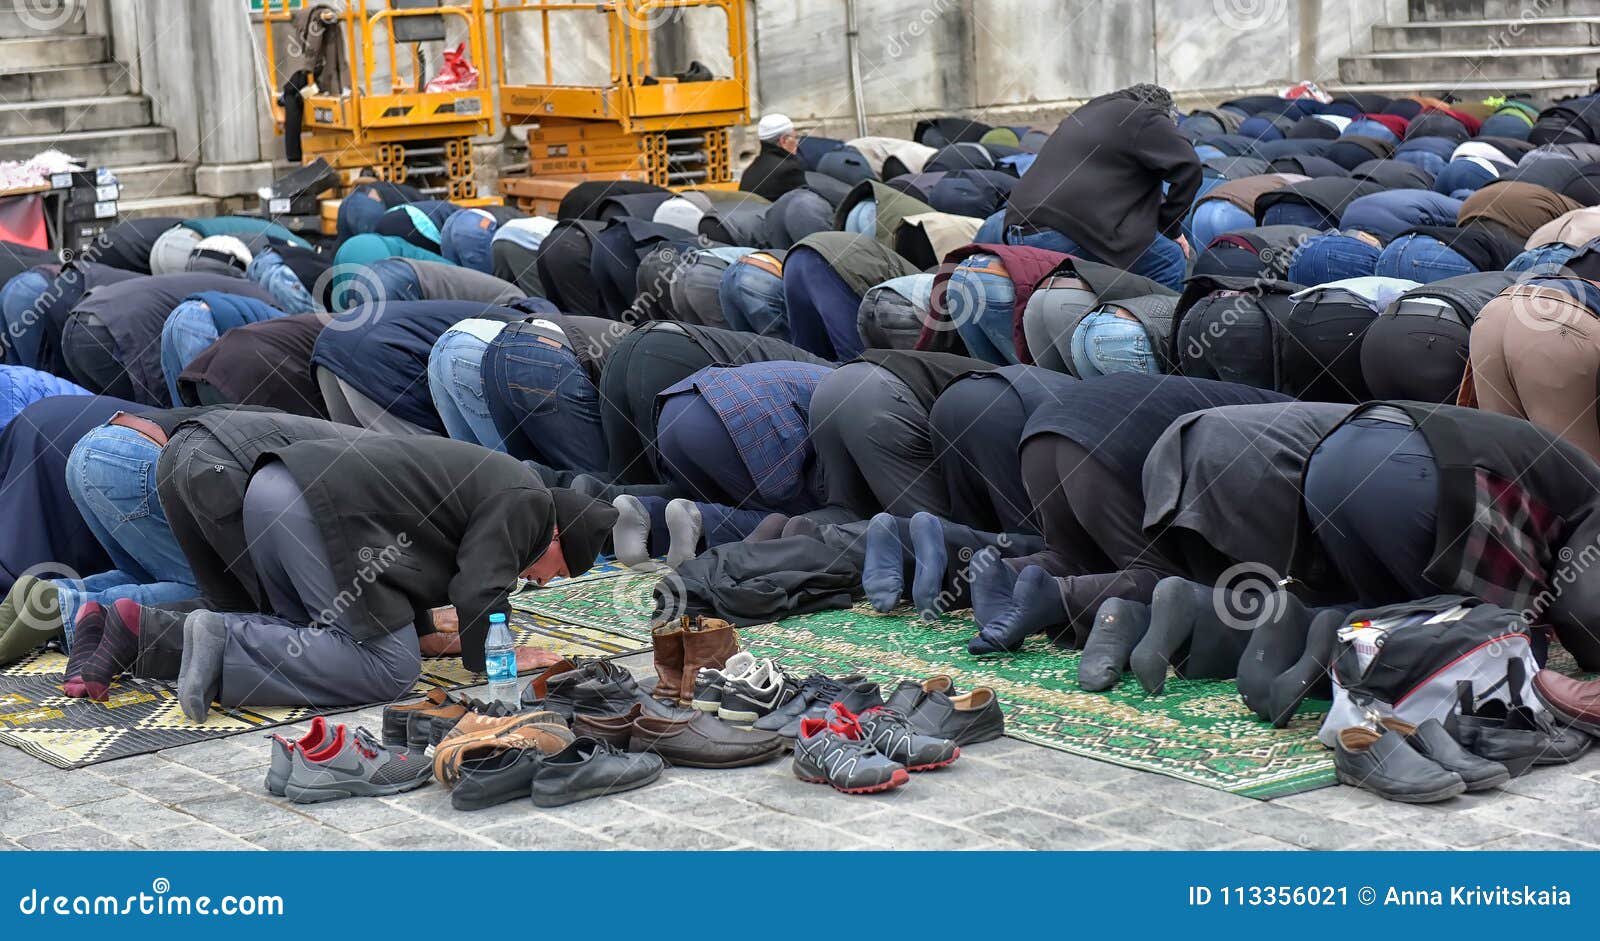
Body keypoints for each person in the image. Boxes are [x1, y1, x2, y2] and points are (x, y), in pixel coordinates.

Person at [125, 436, 617, 717]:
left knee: (316, 639)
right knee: (390, 669)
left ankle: (181, 643)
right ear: (557, 539)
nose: (543, 582)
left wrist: (425, 632)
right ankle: (227, 639)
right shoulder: (529, 502)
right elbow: (477, 587)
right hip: (314, 510)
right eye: (556, 572)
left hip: (271, 491)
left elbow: (421, 534)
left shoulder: (503, 481)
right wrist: (499, 657)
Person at [1300, 401, 1600, 671]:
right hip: (1419, 474)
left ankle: (1315, 627)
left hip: (1331, 460)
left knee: (1394, 613)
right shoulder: (1594, 498)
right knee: (1512, 654)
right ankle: (1330, 636)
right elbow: (1584, 617)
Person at [1000, 84, 1201, 289]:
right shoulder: (1146, 116)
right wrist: (1170, 227)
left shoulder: (1090, 110)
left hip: (1014, 228)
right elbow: (1190, 167)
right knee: (1169, 259)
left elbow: (1116, 178)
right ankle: (1153, 320)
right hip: (1061, 232)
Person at [739, 113, 808, 202]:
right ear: (783, 140)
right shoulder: (789, 169)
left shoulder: (751, 168)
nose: (797, 143)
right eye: (795, 137)